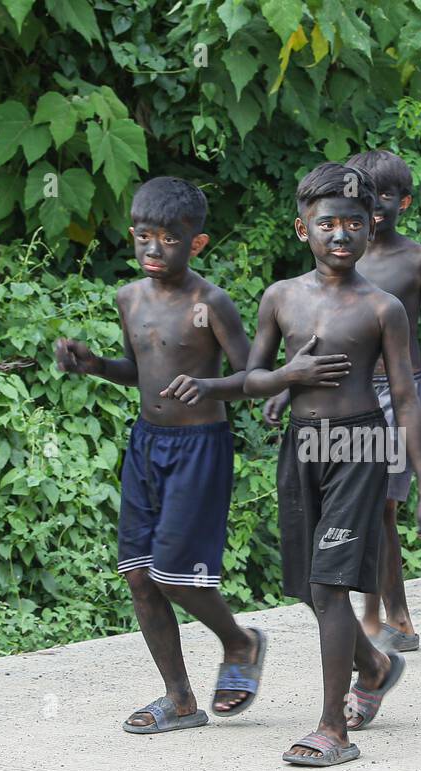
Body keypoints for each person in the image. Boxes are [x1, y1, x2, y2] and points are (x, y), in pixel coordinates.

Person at [53, 176, 343, 734]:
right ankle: (179, 698)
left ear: (197, 244)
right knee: (140, 576)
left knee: (176, 575)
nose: (153, 250)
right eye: (143, 237)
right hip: (146, 444)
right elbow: (138, 372)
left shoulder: (211, 304)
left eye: (168, 239)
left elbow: (250, 374)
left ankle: (239, 641)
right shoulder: (128, 299)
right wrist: (93, 365)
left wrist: (262, 386)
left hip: (199, 448)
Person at [243, 162, 421, 766]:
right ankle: (376, 665)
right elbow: (253, 377)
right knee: (310, 586)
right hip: (303, 447)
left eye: (353, 223)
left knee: (330, 587)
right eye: (326, 223)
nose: (340, 234)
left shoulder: (383, 307)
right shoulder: (281, 297)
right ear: (301, 228)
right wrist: (286, 377)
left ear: (371, 226)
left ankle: (333, 728)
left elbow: (405, 396)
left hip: (361, 447)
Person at [262, 149, 421, 655]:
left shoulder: (415, 261)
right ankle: (366, 614)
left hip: (397, 393)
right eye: (362, 196)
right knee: (360, 511)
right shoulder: (325, 263)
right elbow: (312, 344)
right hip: (336, 394)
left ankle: (392, 613)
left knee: (382, 504)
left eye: (379, 198)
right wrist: (286, 385)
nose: (370, 208)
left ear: (401, 201)